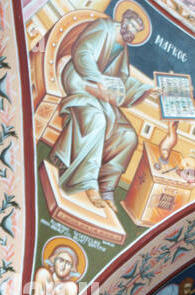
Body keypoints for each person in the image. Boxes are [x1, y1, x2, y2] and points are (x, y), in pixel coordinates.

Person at [49, 6, 153, 210]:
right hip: (80, 79)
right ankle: (86, 182)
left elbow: (122, 80)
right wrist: (98, 80)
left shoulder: (122, 48)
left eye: (135, 32)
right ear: (123, 20)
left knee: (128, 136)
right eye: (130, 27)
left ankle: (106, 188)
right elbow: (83, 53)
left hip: (101, 93)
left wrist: (146, 90)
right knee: (97, 119)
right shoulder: (103, 28)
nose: (131, 33)